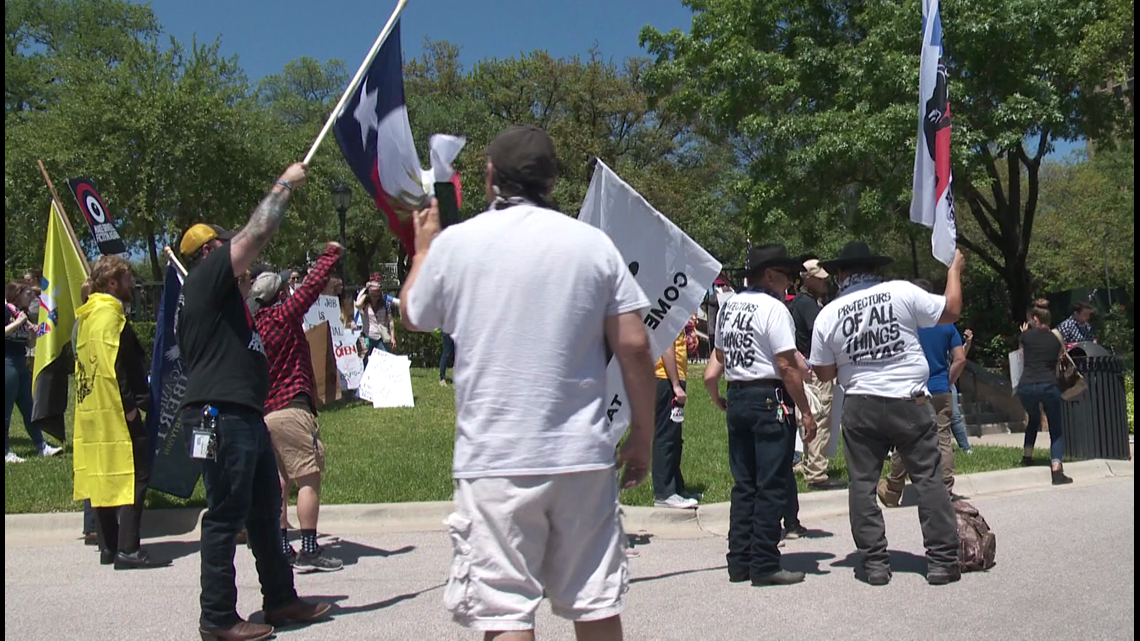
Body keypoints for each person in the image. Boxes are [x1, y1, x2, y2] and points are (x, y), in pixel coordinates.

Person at [400, 124, 655, 640]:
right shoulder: (592, 244)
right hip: (581, 454)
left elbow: (414, 315)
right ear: (552, 181)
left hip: (495, 457)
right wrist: (643, 437)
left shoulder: (458, 244)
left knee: (506, 611)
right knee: (595, 602)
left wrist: (424, 248)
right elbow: (633, 345)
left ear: (491, 175)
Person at [176, 163, 331, 641]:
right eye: (225, 245)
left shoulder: (227, 303)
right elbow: (257, 232)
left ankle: (280, 600)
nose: (237, 254)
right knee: (225, 516)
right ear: (209, 252)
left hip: (246, 415)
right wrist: (284, 185)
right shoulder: (206, 280)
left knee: (264, 512)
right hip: (220, 416)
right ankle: (218, 617)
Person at [809, 241, 964, 586]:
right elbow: (952, 309)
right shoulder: (901, 292)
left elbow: (824, 372)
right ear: (875, 270)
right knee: (928, 478)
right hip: (910, 401)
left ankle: (876, 564)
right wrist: (954, 269)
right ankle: (942, 561)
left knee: (862, 485)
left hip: (860, 404)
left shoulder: (829, 314)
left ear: (840, 274)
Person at [704, 244, 818, 587]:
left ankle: (739, 560)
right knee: (771, 483)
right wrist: (806, 411)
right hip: (769, 398)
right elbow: (785, 365)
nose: (789, 283)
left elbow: (717, 359)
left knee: (745, 485)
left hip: (738, 395)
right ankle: (765, 562)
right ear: (769, 275)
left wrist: (715, 392)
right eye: (786, 275)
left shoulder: (729, 307)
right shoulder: (774, 308)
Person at [249, 242, 345, 572]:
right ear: (279, 295)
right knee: (308, 478)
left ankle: (281, 547)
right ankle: (309, 549)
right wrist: (330, 255)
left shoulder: (254, 326)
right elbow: (311, 287)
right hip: (292, 408)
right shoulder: (282, 316)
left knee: (280, 482)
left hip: (266, 412)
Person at [73, 256, 162, 569]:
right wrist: (131, 408)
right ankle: (128, 548)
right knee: (136, 476)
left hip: (92, 410)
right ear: (112, 283)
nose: (131, 284)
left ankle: (108, 546)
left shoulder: (88, 316)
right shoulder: (110, 317)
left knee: (102, 475)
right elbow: (117, 367)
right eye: (126, 279)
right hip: (116, 410)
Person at [878, 279, 965, 507]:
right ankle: (946, 488)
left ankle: (893, 489)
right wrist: (947, 381)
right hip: (941, 389)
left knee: (907, 438)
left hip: (913, 389)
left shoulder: (908, 323)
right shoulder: (947, 324)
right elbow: (960, 358)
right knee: (943, 439)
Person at [790, 258, 844, 491]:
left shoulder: (800, 302)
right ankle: (817, 473)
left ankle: (808, 464)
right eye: (820, 279)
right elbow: (820, 334)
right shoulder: (808, 305)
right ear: (808, 279)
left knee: (810, 417)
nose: (825, 282)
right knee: (819, 418)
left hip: (804, 367)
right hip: (814, 369)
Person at [5, 281, 62, 462]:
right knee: (6, 409)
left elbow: (29, 345)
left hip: (21, 363)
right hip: (7, 363)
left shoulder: (23, 314)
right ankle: (6, 452)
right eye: (28, 294)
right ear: (17, 294)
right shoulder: (7, 311)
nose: (32, 297)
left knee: (29, 407)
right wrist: (18, 323)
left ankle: (41, 446)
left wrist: (32, 334)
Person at [1016, 307, 1073, 485]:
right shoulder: (1055, 338)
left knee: (1033, 418)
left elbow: (1020, 356)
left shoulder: (1025, 336)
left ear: (1035, 319)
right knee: (1055, 428)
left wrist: (1024, 333)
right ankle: (1056, 470)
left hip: (1026, 386)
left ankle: (1027, 456)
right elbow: (1061, 356)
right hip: (1048, 385)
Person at [653, 330, 696, 509]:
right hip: (666, 379)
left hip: (671, 377)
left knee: (675, 437)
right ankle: (664, 492)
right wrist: (676, 385)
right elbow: (665, 344)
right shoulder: (668, 316)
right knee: (666, 436)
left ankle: (677, 488)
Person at [355, 278, 397, 356]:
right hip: (368, 336)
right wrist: (365, 292)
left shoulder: (385, 302)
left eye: (377, 293)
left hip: (382, 337)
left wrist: (392, 337)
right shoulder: (365, 303)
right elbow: (357, 305)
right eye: (373, 294)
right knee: (367, 359)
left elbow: (390, 321)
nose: (375, 297)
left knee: (385, 357)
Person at [948, 328, 974, 454]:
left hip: (946, 381)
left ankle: (966, 448)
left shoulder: (948, 330)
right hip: (931, 381)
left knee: (955, 417)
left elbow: (960, 357)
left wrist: (967, 343)